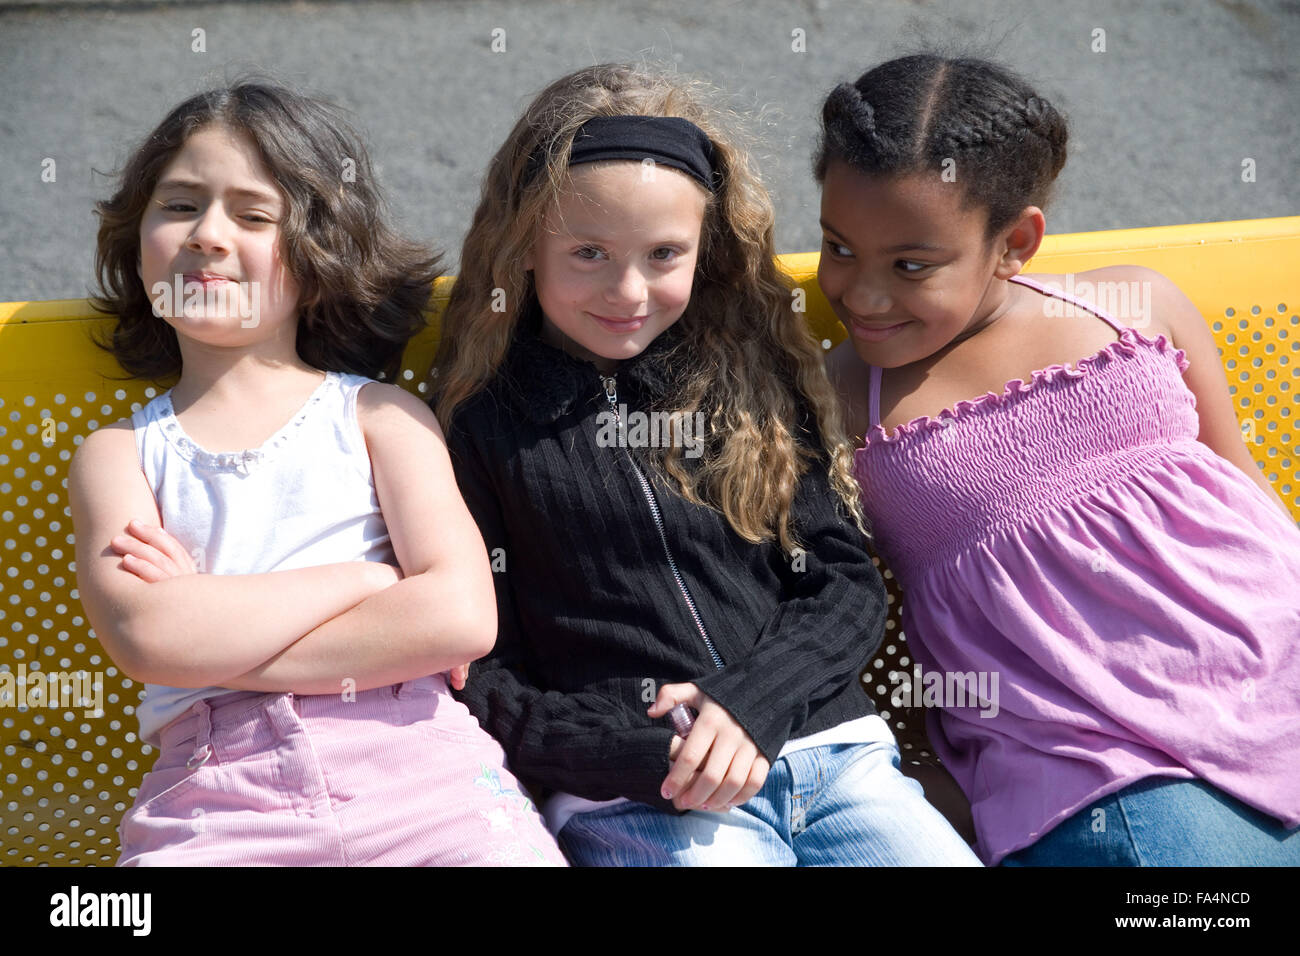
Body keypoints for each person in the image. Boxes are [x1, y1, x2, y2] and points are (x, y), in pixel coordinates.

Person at [434, 63, 981, 866]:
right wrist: (629, 751)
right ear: (525, 245)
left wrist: (748, 703)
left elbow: (841, 582)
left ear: (705, 248)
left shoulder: (747, 386)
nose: (627, 290)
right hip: (642, 796)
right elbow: (483, 669)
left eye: (663, 254)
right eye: (588, 252)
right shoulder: (482, 428)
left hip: (828, 758)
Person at [818, 53, 1300, 866]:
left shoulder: (1135, 307)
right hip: (1097, 772)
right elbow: (826, 605)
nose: (861, 294)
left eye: (910, 265)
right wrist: (925, 773)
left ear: (1015, 243)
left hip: (1274, 681)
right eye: (838, 246)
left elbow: (1246, 490)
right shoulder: (837, 401)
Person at [68, 81, 565, 866]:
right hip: (215, 796)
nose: (207, 234)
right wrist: (365, 586)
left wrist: (213, 632)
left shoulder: (380, 418)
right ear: (137, 240)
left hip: (423, 776)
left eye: (253, 215)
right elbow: (148, 636)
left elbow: (461, 616)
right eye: (179, 205)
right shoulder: (118, 454)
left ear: (318, 253)